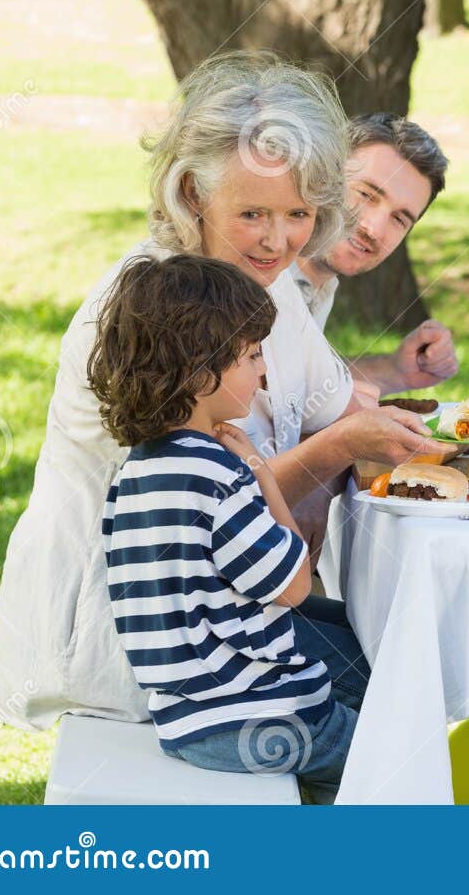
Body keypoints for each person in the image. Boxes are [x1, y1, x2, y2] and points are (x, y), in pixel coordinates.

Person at [0, 52, 451, 731]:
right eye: (253, 214)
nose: (277, 239)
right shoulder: (155, 309)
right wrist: (341, 447)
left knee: (411, 661)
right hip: (143, 641)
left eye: (298, 212)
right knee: (399, 696)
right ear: (194, 194)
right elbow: (201, 510)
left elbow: (345, 407)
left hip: (222, 615)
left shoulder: (266, 288)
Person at [92, 255, 365, 802]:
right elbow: (294, 585)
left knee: (352, 651)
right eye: (251, 355)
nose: (263, 371)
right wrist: (262, 476)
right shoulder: (217, 472)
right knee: (403, 753)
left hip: (187, 725)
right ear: (198, 371)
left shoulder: (136, 472)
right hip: (262, 718)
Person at [292, 111, 458, 396]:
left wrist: (395, 370)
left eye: (399, 219)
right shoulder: (258, 276)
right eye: (367, 195)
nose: (374, 229)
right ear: (324, 176)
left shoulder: (319, 283)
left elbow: (298, 384)